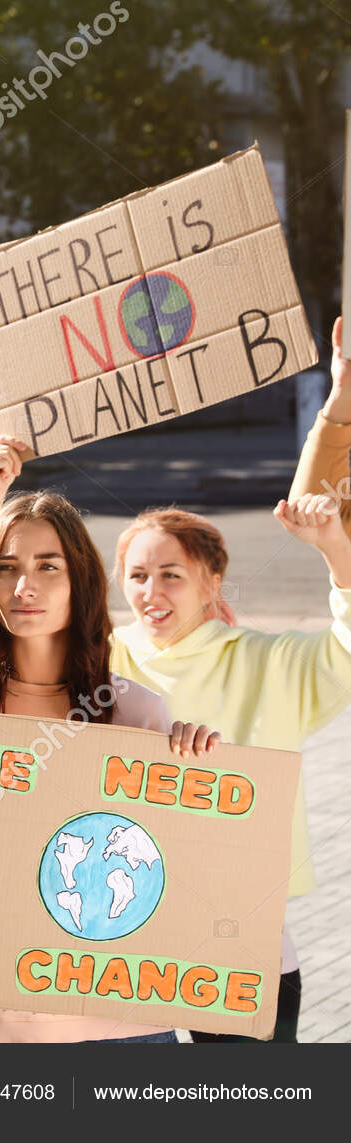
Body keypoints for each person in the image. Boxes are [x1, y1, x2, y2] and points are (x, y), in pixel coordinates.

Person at [0, 444, 218, 1042]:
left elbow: (181, 869)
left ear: (79, 582)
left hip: (127, 1032)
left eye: (47, 566)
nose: (25, 585)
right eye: (8, 567)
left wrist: (198, 764)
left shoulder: (136, 711)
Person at [110, 353, 351, 1042]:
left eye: (170, 574)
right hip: (125, 944)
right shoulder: (104, 661)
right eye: (136, 575)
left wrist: (335, 547)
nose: (150, 592)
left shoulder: (268, 663)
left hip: (239, 945)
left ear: (212, 579)